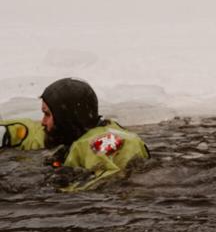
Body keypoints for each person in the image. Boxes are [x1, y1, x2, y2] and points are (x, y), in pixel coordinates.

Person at [1, 78, 150, 191]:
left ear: (65, 118)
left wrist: (58, 191)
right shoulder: (73, 131)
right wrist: (7, 133)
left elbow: (111, 180)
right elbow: (33, 134)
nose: (42, 122)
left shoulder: (101, 143)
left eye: (47, 114)